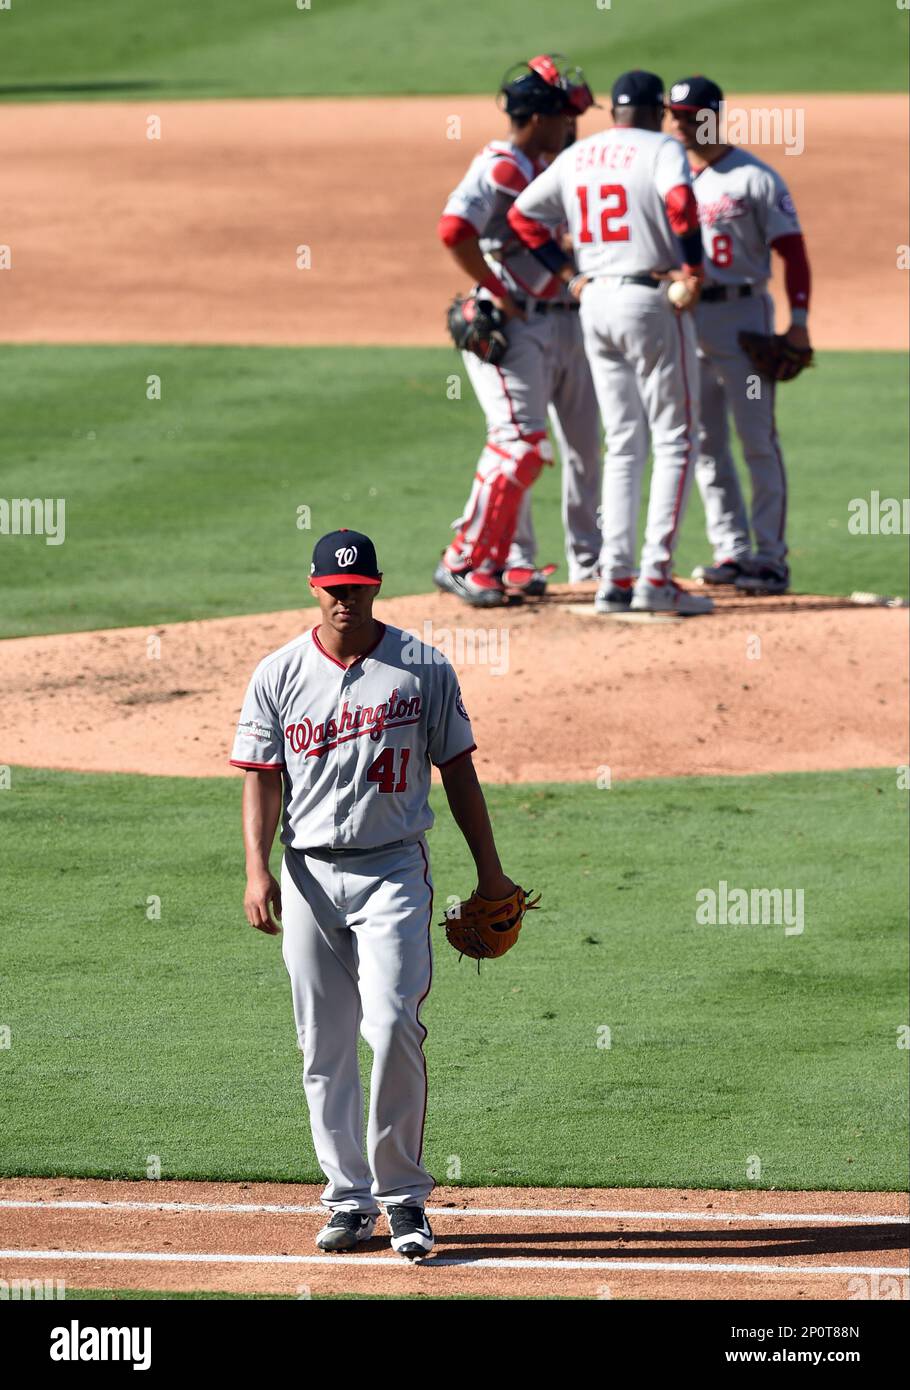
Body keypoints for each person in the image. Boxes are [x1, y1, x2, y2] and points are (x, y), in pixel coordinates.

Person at [231, 528, 520, 1260]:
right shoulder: (279, 672)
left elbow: (458, 771)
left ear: (377, 587)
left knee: (392, 1027)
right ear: (313, 587)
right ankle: (349, 1201)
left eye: (357, 590)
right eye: (333, 589)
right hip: (306, 875)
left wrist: (490, 871)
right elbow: (261, 775)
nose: (344, 600)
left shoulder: (422, 667)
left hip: (394, 871)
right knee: (322, 1045)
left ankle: (405, 1200)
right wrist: (255, 870)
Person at [508, 69, 714, 616]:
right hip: (650, 299)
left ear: (615, 113)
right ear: (655, 111)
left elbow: (522, 216)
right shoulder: (662, 148)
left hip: (593, 302)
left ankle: (614, 579)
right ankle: (655, 578)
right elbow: (679, 203)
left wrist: (568, 276)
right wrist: (693, 268)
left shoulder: (580, 154)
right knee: (675, 438)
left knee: (623, 441)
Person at [434, 53, 603, 607]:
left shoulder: (547, 165)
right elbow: (454, 230)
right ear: (538, 118)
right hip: (518, 327)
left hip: (564, 325)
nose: (572, 126)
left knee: (559, 448)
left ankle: (519, 562)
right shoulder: (504, 166)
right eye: (563, 116)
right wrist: (498, 291)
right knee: (520, 445)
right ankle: (470, 559)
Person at [666, 77, 813, 596]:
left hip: (744, 315)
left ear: (713, 116)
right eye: (673, 114)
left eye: (689, 115)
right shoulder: (671, 173)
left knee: (756, 441)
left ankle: (770, 558)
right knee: (705, 442)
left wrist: (797, 320)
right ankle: (731, 550)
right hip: (687, 320)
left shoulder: (756, 177)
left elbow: (793, 253)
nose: (678, 123)